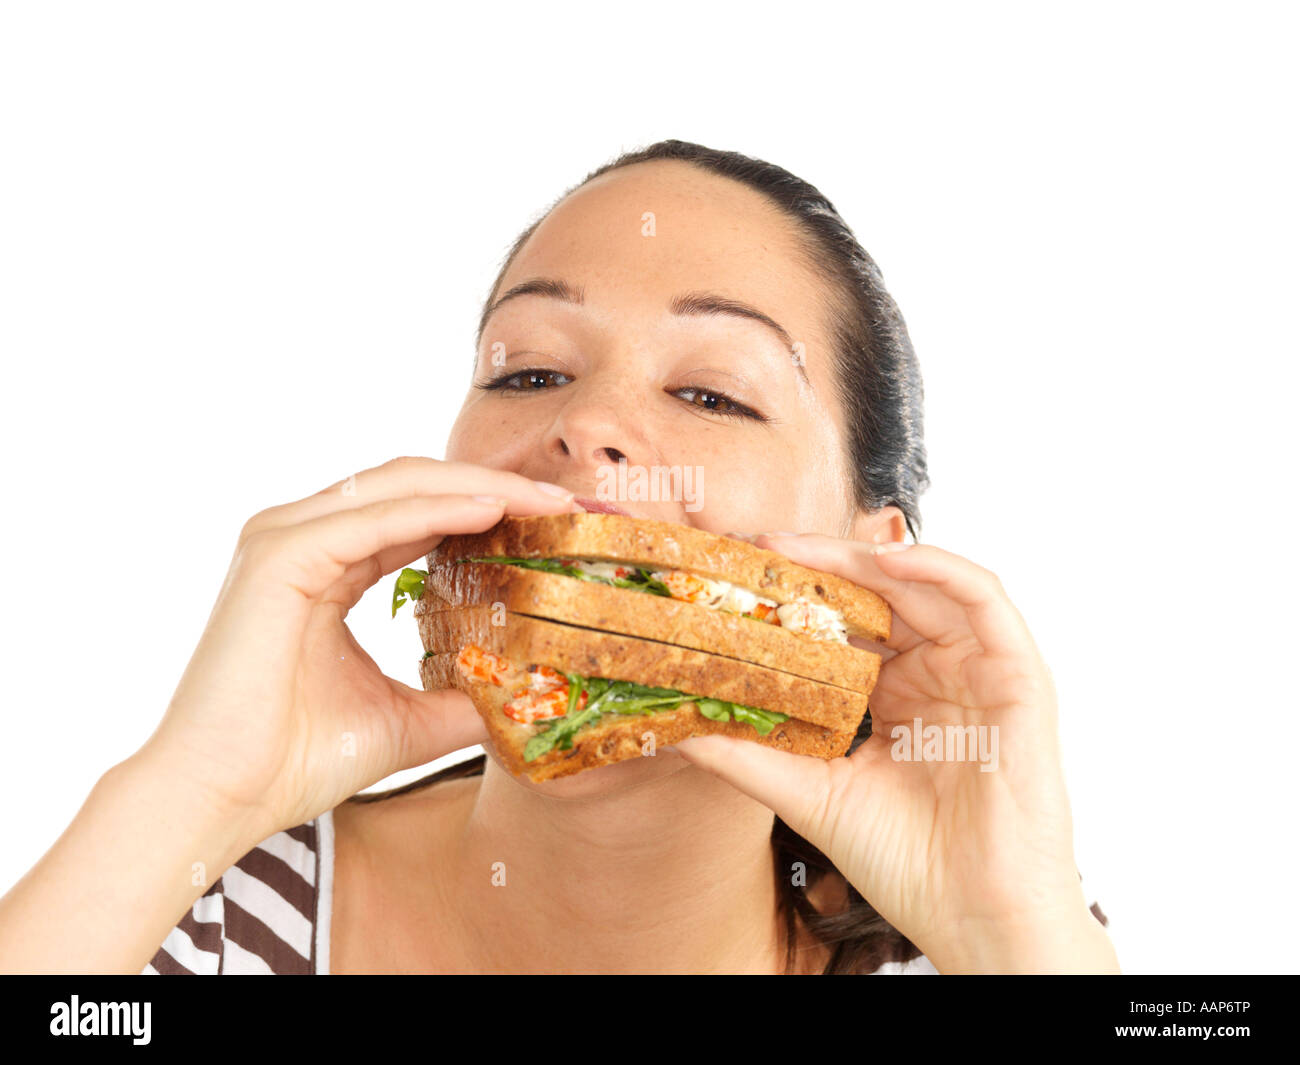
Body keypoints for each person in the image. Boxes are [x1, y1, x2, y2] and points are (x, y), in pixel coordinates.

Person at [0, 140, 1118, 974]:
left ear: (870, 580)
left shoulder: (985, 941)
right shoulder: (193, 917)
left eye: (711, 392)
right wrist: (189, 795)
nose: (588, 426)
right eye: (528, 373)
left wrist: (1010, 935)